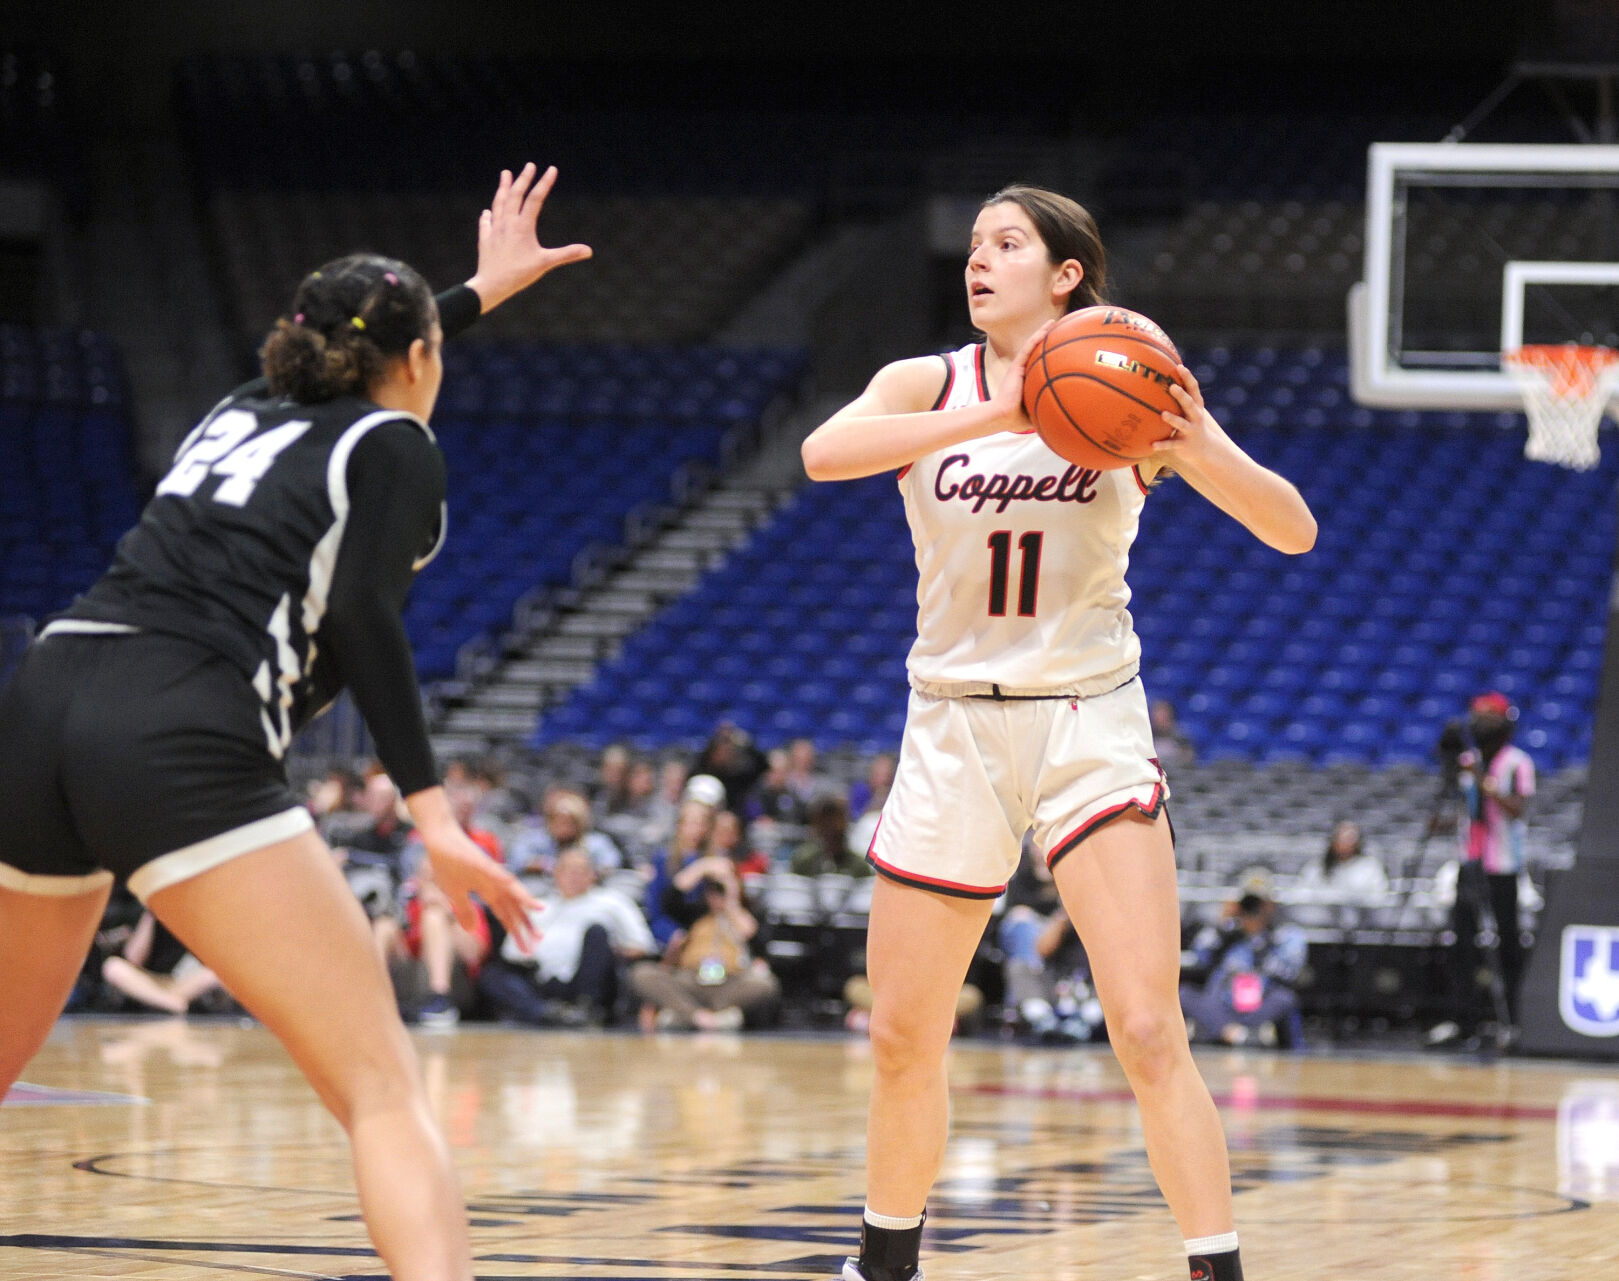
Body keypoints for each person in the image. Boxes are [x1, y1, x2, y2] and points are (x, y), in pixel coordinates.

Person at [0, 163, 589, 1281]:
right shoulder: (396, 446)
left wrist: (475, 292)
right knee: (379, 1089)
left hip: (48, 690)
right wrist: (435, 820)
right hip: (174, 719)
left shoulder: (243, 407)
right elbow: (365, 615)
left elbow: (357, 356)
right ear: (417, 361)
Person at [800, 183, 1316, 1281]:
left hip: (1086, 717)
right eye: (974, 245)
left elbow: (1290, 528)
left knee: (1142, 1026)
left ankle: (1214, 1269)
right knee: (901, 1036)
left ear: (1065, 272)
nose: (978, 260)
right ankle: (882, 1265)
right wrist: (999, 414)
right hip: (949, 725)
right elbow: (821, 455)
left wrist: (1195, 441)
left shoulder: (1130, 378)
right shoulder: (925, 383)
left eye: (1006, 244)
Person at [1428, 691, 1536, 1047]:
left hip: (1503, 866)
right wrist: (1443, 822)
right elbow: (1466, 810)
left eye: (1487, 717)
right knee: (1461, 944)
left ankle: (1514, 1022)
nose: (1479, 724)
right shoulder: (1467, 760)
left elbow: (1516, 809)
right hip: (1469, 862)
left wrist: (1481, 779)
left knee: (1507, 944)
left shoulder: (1517, 762)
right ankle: (1464, 1021)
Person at [481, 846, 655, 1026]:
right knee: (492, 975)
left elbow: (642, 945)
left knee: (596, 932)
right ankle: (545, 1013)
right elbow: (511, 952)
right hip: (540, 976)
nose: (574, 876)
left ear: (592, 875)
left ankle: (585, 1011)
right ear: (556, 874)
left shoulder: (612, 902)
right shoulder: (538, 906)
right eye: (567, 870)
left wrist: (611, 951)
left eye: (580, 870)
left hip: (586, 980)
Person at [628, 864, 780, 1031]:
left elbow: (752, 935)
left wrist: (731, 899)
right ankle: (700, 1016)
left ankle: (684, 1016)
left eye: (720, 889)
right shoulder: (693, 913)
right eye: (713, 889)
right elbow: (670, 897)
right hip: (690, 979)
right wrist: (702, 868)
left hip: (729, 983)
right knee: (642, 973)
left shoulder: (746, 913)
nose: (716, 894)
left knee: (765, 983)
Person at [1179, 871, 1307, 1047]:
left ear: (1270, 905)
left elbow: (1291, 971)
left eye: (1258, 903)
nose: (1252, 908)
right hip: (1220, 1004)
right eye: (1248, 902)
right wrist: (1222, 922)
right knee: (1184, 995)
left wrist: (1259, 939)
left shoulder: (1285, 934)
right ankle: (1239, 1035)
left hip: (1259, 1005)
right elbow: (1199, 956)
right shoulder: (1226, 931)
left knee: (1285, 999)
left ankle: (1227, 1033)